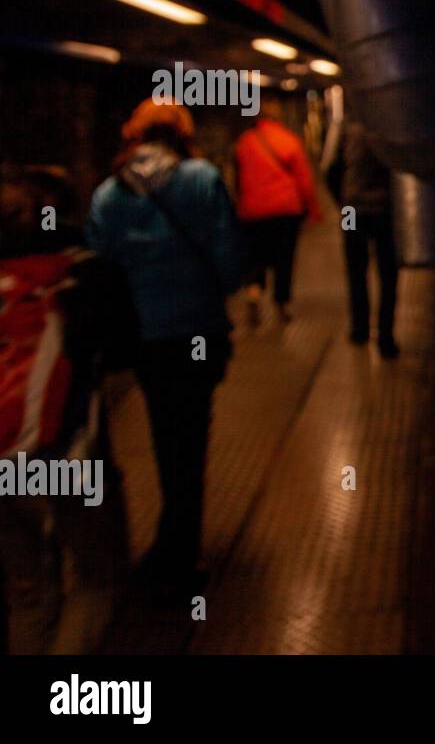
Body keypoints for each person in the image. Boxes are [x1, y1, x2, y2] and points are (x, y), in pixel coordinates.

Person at [86, 100, 241, 599]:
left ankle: (169, 543)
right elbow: (229, 258)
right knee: (191, 435)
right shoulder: (202, 179)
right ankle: (180, 550)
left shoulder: (109, 194)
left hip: (146, 336)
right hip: (198, 331)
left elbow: (100, 262)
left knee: (163, 434)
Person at [0, 165, 132, 651]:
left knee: (29, 591)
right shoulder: (86, 272)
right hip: (68, 455)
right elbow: (122, 352)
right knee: (99, 580)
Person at [233, 95, 320, 325]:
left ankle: (253, 293)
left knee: (255, 257)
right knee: (284, 258)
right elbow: (304, 180)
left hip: (253, 211)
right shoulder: (289, 140)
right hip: (285, 211)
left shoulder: (245, 142)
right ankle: (282, 304)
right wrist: (313, 209)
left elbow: (238, 180)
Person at [327, 120, 399, 358]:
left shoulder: (347, 129)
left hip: (352, 209)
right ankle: (386, 337)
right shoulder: (389, 129)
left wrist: (343, 199)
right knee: (388, 274)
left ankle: (360, 330)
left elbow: (331, 170)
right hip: (384, 209)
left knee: (356, 270)